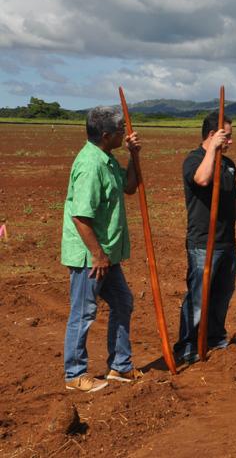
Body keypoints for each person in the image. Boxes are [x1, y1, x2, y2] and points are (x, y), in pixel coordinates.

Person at [61, 106, 142, 392]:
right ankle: (75, 374)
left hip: (106, 254)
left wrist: (134, 155)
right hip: (90, 256)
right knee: (83, 312)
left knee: (123, 302)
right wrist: (97, 254)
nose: (125, 133)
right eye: (120, 131)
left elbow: (131, 187)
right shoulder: (91, 165)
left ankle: (119, 367)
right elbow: (81, 216)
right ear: (106, 135)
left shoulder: (106, 159)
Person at [174, 111, 236, 364]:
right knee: (198, 297)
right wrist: (213, 151)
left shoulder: (229, 164)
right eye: (226, 137)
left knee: (222, 294)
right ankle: (187, 345)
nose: (230, 142)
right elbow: (202, 178)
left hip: (226, 242)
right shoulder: (194, 160)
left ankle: (215, 338)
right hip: (202, 243)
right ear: (212, 135)